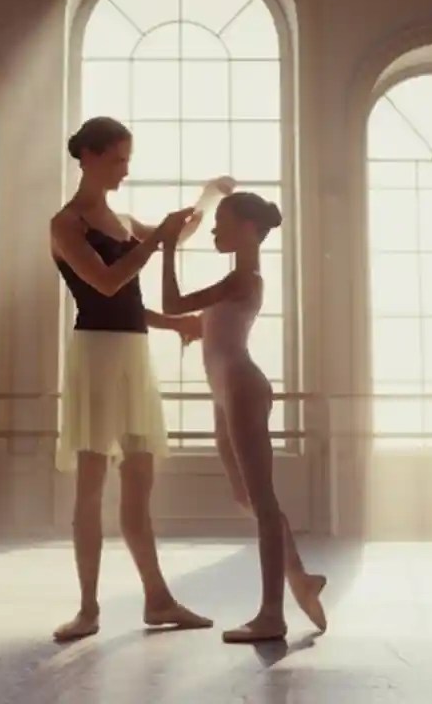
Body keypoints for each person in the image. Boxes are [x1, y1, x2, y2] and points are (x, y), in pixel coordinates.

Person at [50, 116, 213, 641]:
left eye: (128, 160)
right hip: (95, 357)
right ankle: (87, 608)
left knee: (139, 481)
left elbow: (145, 282)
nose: (125, 169)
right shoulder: (66, 224)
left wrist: (208, 197)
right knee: (91, 483)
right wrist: (157, 237)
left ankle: (158, 599)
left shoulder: (121, 220)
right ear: (89, 157)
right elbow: (106, 284)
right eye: (118, 159)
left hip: (132, 354)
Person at [160, 191, 327, 643]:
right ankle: (300, 578)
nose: (214, 230)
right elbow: (191, 323)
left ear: (249, 230)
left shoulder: (242, 279)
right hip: (225, 394)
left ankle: (272, 615)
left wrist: (168, 245)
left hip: (242, 389)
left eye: (223, 221)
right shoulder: (233, 283)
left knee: (263, 500)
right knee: (245, 496)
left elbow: (174, 302)